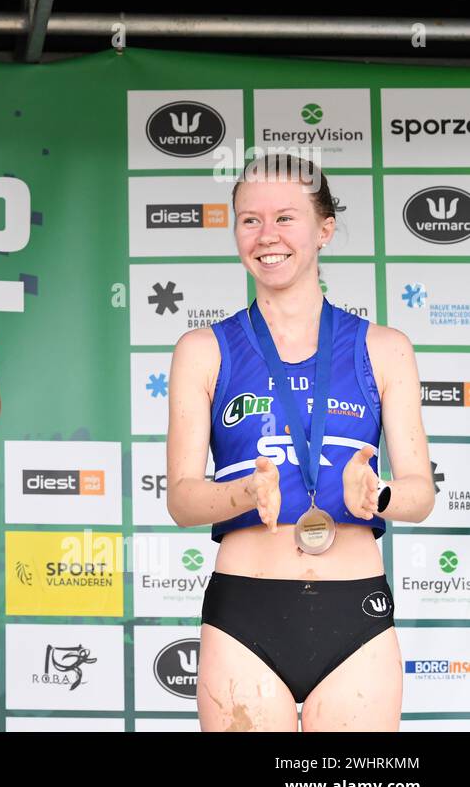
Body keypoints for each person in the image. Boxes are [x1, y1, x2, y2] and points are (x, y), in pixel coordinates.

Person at [166, 154, 434, 732]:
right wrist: (240, 495)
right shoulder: (202, 349)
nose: (267, 237)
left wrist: (379, 495)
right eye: (249, 220)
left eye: (286, 218)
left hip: (354, 616)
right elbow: (183, 500)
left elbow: (421, 493)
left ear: (325, 228)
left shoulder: (385, 348)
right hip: (246, 614)